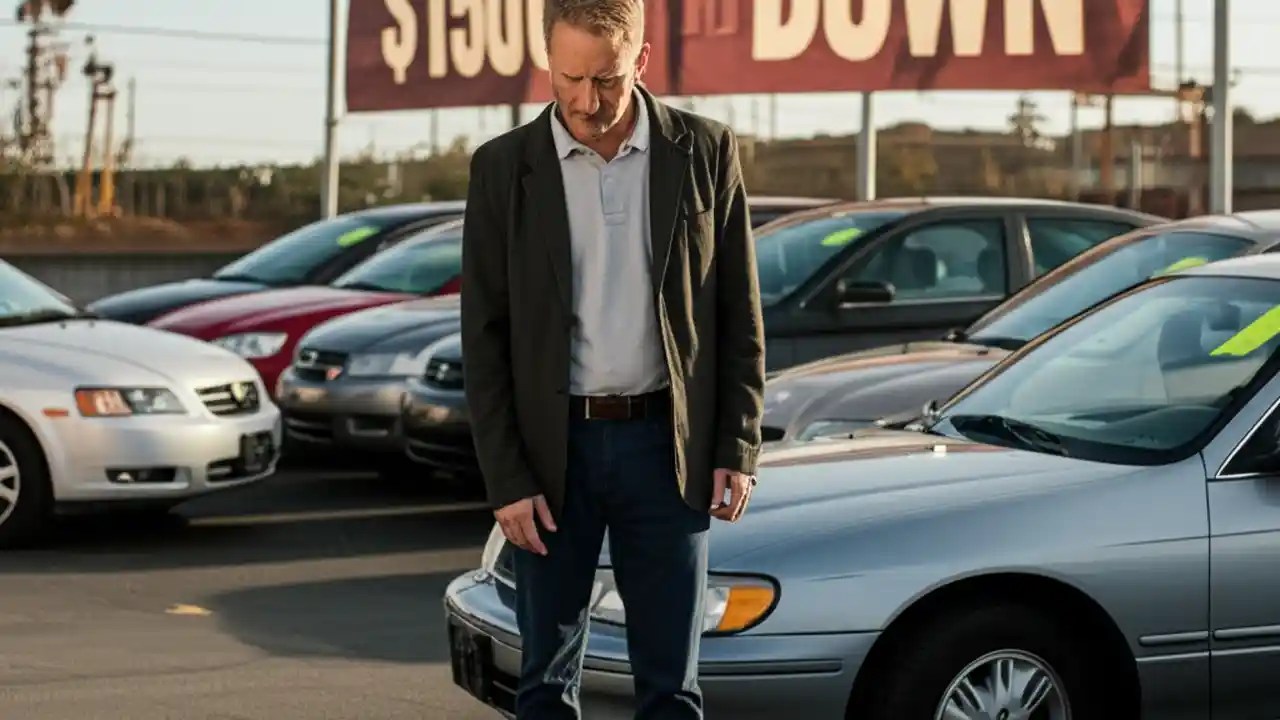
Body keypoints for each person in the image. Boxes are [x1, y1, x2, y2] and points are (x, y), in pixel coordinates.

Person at [460, 0, 765, 717]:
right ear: (547, 61)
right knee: (544, 684)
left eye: (607, 79)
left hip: (669, 449)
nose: (585, 101)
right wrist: (505, 478)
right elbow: (485, 335)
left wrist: (738, 444)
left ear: (643, 60)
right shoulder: (502, 168)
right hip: (551, 452)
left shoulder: (705, 150)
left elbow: (738, 313)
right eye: (568, 78)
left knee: (671, 687)